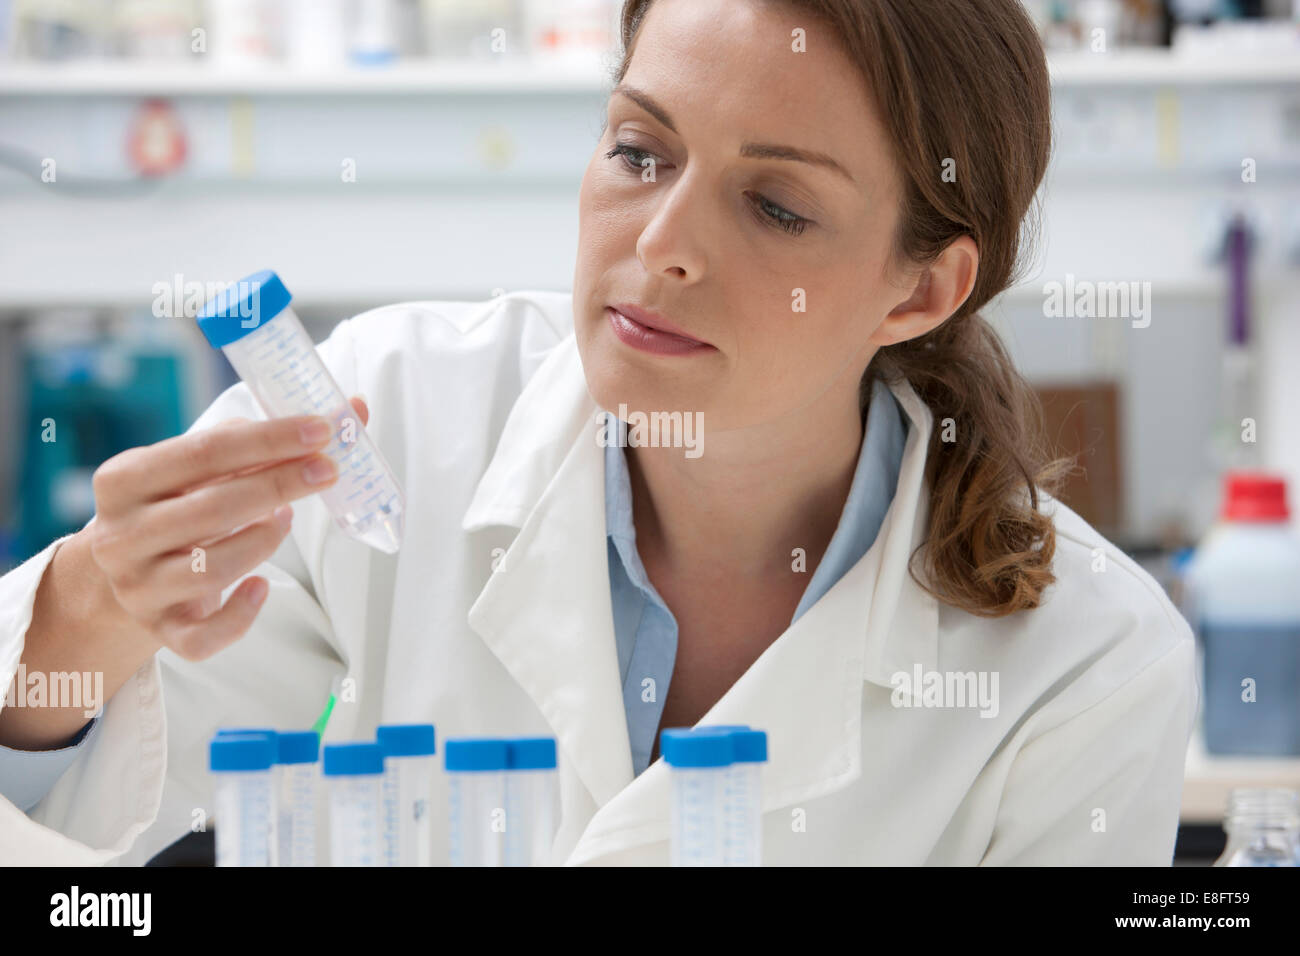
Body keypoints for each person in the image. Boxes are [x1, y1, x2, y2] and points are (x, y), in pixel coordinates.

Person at [0, 0, 1196, 865]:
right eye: (639, 149)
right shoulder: (384, 416)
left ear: (921, 289)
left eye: (775, 205)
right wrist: (83, 620)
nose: (661, 239)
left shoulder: (1086, 664)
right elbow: (89, 843)